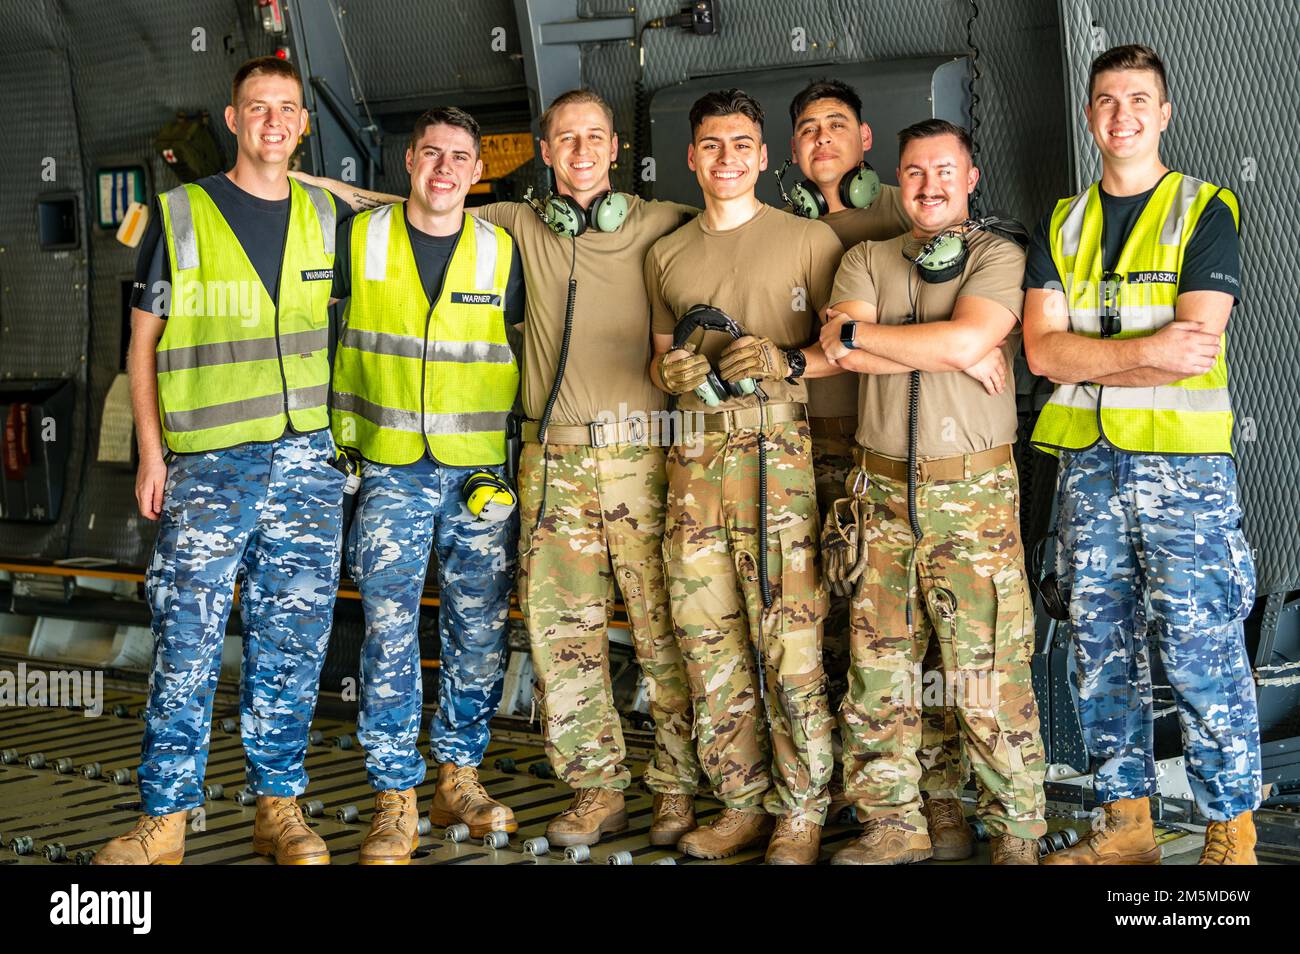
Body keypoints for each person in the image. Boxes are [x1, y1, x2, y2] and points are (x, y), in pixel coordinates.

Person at [302, 89, 705, 848]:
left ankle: (491, 780)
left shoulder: (609, 230)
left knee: (534, 635)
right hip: (444, 468)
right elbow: (405, 205)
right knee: (433, 635)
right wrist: (298, 179)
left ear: (615, 148)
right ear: (542, 154)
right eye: (565, 139)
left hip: (531, 470)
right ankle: (411, 794)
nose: (581, 151)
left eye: (595, 137)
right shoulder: (435, 232)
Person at [96, 55, 346, 865]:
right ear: (233, 120)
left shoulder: (326, 217)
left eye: (287, 108)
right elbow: (143, 342)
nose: (273, 120)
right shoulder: (179, 216)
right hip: (208, 466)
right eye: (256, 107)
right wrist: (150, 451)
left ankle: (279, 810)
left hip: (306, 463)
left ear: (303, 125)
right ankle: (164, 822)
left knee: (294, 643)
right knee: (187, 640)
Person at [1023, 45, 1259, 866]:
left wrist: (1087, 352)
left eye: (1138, 100)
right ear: (1090, 116)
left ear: (1163, 114)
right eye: (1106, 100)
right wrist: (1141, 350)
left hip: (1182, 473)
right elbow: (1041, 356)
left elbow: (1197, 343)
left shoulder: (1204, 210)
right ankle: (1126, 826)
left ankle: (1231, 830)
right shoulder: (1063, 221)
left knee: (1201, 651)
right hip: (1089, 471)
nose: (1121, 114)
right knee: (1099, 650)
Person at [819, 118, 1048, 865]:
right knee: (881, 675)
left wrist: (897, 343)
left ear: (970, 178)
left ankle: (1016, 835)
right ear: (897, 177)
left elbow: (937, 341)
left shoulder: (998, 253)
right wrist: (950, 349)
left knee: (985, 674)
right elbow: (837, 348)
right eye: (915, 172)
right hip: (879, 492)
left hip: (972, 493)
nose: (929, 186)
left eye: (944, 171)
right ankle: (900, 826)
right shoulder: (865, 256)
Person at [646, 88, 841, 864]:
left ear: (765, 157)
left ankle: (801, 810)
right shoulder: (666, 252)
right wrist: (672, 368)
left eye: (742, 145)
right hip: (693, 459)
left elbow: (843, 351)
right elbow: (658, 356)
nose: (727, 158)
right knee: (706, 639)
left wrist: (787, 361)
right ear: (692, 158)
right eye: (712, 146)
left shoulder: (810, 240)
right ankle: (738, 802)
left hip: (778, 457)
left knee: (789, 638)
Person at [328, 107, 526, 864]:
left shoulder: (502, 253)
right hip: (388, 469)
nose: (445, 170)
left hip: (476, 478)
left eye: (461, 158)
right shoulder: (360, 239)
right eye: (432, 154)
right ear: (409, 161)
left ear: (479, 172)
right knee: (388, 633)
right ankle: (395, 795)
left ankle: (459, 777)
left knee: (477, 632)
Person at [787, 78, 975, 858]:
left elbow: (961, 324)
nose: (822, 138)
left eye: (837, 124)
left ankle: (940, 805)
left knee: (919, 639)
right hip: (809, 450)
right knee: (843, 639)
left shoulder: (910, 212)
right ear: (791, 149)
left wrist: (963, 348)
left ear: (869, 143)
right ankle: (853, 799)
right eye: (806, 128)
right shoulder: (776, 225)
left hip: (893, 448)